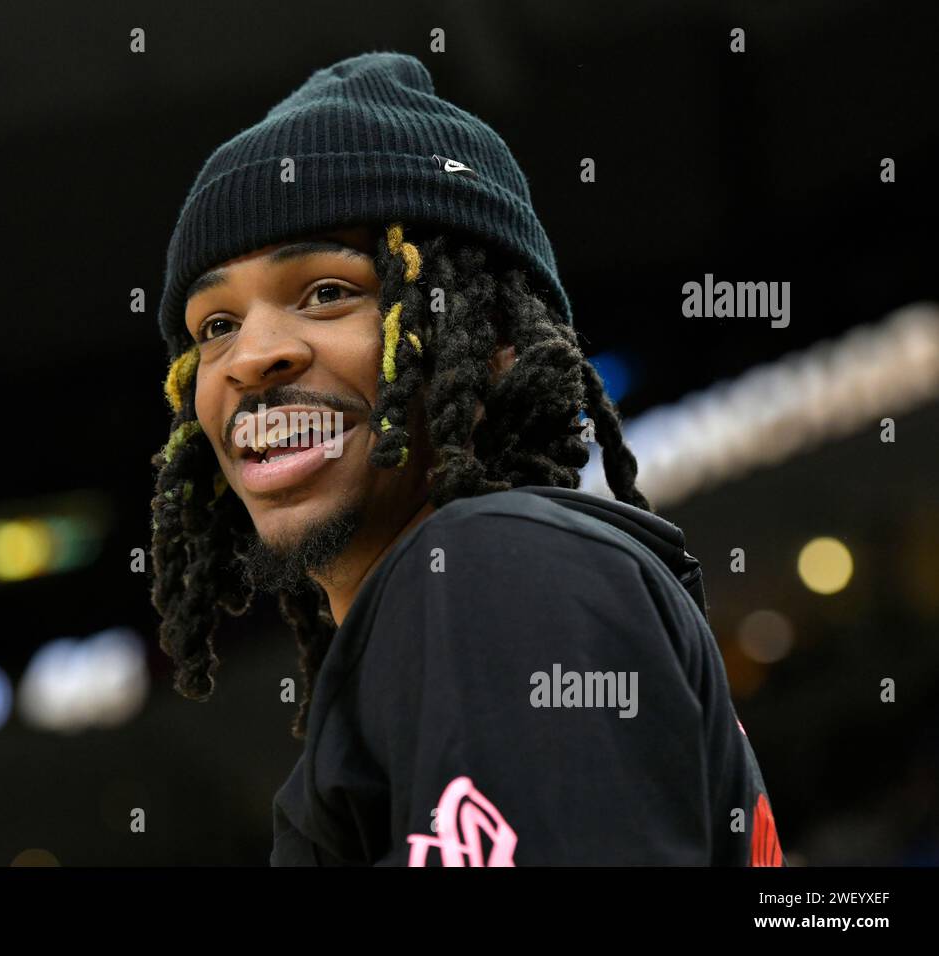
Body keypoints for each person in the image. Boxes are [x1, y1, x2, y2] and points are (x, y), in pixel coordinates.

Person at [149, 51, 784, 866]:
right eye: (215, 326)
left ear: (493, 344)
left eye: (328, 292)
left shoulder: (494, 565)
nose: (250, 357)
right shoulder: (473, 597)